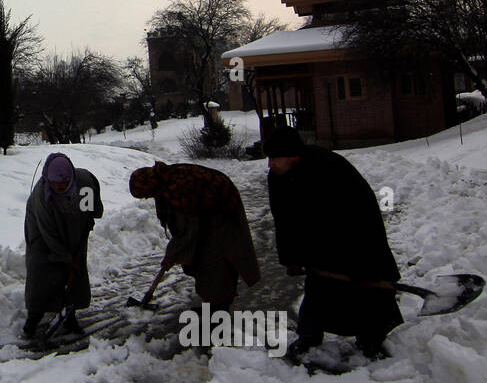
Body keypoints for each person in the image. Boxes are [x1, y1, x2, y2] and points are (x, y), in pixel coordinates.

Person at [264, 125, 403, 362]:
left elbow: (355, 212)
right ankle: (309, 338)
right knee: (318, 288)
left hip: (357, 234)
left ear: (293, 155)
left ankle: (372, 339)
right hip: (319, 243)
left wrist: (350, 263)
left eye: (275, 157)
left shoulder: (327, 168)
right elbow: (284, 220)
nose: (270, 164)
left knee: (368, 289)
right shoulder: (278, 178)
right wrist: (291, 258)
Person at [128, 161, 261, 314]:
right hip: (209, 212)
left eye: (144, 195)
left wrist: (172, 254)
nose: (146, 199)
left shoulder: (177, 188)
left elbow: (187, 230)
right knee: (202, 259)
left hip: (222, 213)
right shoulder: (164, 179)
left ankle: (218, 309)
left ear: (149, 186)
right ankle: (216, 304)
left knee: (213, 261)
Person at [23, 153, 103, 336]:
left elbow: (89, 212)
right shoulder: (41, 198)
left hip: (74, 229)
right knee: (42, 271)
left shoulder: (84, 185)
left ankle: (70, 314)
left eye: (65, 183)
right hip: (41, 234)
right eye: (55, 183)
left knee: (76, 273)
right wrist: (66, 257)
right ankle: (33, 318)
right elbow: (49, 234)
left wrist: (79, 244)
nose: (60, 187)